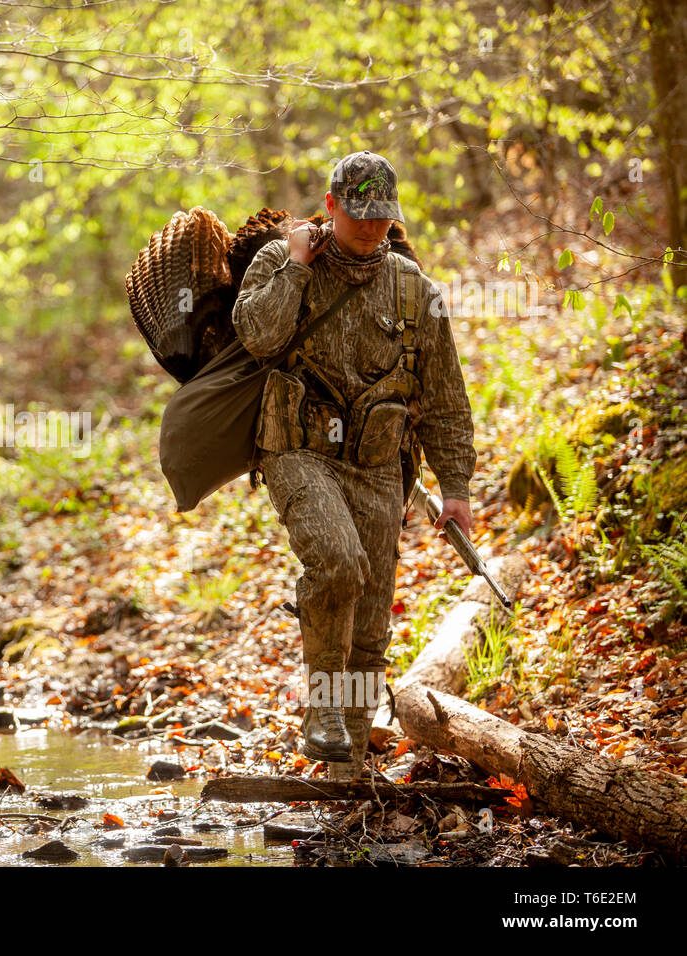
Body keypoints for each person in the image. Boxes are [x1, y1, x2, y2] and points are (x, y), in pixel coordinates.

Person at [230, 150, 477, 778]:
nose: (370, 228)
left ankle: (347, 768)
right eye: (357, 214)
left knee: (370, 625)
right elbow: (257, 336)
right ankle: (321, 710)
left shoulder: (417, 290)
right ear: (332, 206)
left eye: (381, 217)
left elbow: (444, 396)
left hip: (377, 464)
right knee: (337, 562)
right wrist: (294, 267)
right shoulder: (283, 262)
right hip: (298, 450)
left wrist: (456, 488)